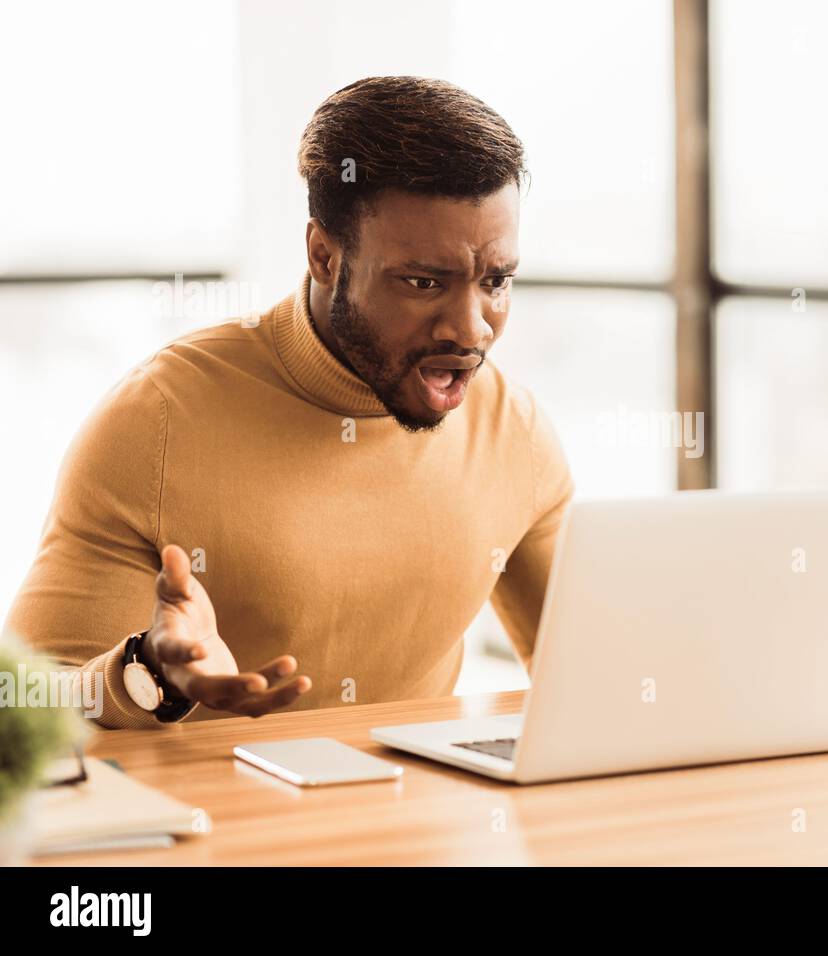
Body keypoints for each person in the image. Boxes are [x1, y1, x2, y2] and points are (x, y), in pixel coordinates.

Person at [3, 77, 572, 728]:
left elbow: (595, 681)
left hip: (420, 823)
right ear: (325, 256)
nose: (472, 328)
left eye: (495, 281)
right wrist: (148, 674)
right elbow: (22, 712)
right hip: (219, 827)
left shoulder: (514, 431)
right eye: (422, 282)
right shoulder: (156, 421)